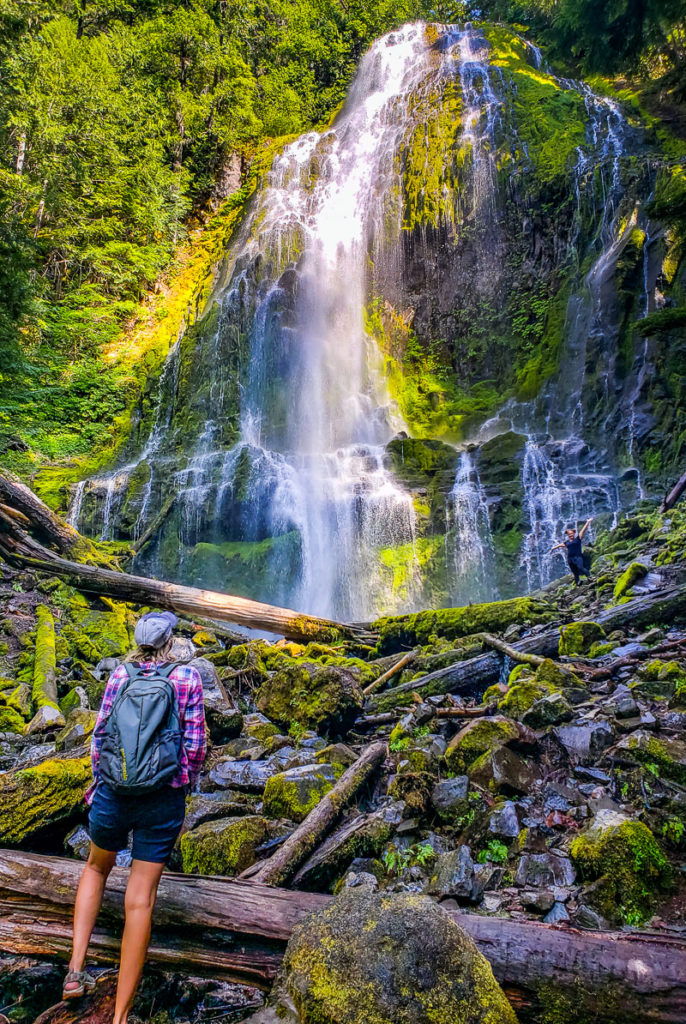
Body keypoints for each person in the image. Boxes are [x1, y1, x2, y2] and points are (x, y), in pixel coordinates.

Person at [63, 610, 206, 1024]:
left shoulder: (120, 675)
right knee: (139, 900)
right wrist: (180, 787)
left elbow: (100, 738)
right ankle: (120, 1016)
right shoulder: (187, 677)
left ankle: (75, 970)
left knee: (94, 869)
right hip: (162, 797)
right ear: (170, 642)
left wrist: (102, 786)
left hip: (113, 792)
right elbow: (193, 750)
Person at [551, 518, 593, 585]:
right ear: (568, 535)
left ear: (574, 533)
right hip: (570, 559)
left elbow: (583, 530)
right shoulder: (566, 543)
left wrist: (588, 522)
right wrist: (553, 549)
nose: (571, 535)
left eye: (572, 533)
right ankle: (577, 583)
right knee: (575, 572)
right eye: (569, 534)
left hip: (578, 557)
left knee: (581, 567)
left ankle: (589, 577)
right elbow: (559, 545)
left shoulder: (578, 539)